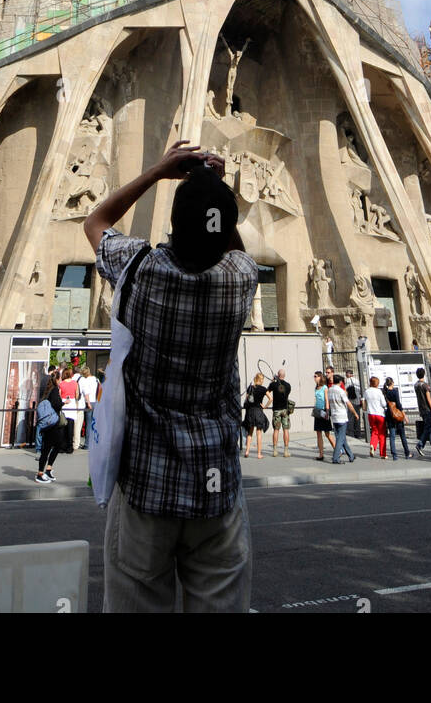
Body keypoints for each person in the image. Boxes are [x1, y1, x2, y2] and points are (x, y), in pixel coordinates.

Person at [84, 141, 258, 614]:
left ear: (173, 227)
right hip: (216, 487)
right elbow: (232, 247)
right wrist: (217, 190)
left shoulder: (139, 269)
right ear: (226, 236)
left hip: (146, 487)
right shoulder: (241, 279)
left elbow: (95, 223)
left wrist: (158, 173)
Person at [36, 370, 64, 482]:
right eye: (60, 379)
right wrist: (63, 402)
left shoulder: (46, 390)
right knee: (50, 448)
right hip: (53, 423)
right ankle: (41, 473)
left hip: (46, 423)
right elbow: (57, 405)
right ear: (57, 380)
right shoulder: (55, 390)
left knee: (53, 446)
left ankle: (47, 470)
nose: (61, 380)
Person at [328, 373, 359, 464]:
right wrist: (355, 413)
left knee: (342, 437)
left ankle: (351, 455)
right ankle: (335, 458)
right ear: (340, 382)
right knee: (340, 438)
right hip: (341, 416)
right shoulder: (341, 391)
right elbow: (348, 403)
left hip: (334, 416)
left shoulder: (330, 390)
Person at [383, 377, 411, 460]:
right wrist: (404, 415)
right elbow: (398, 404)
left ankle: (394, 455)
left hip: (389, 414)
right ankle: (407, 453)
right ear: (392, 383)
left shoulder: (385, 392)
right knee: (402, 435)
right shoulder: (395, 392)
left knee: (392, 435)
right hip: (397, 414)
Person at [413, 367, 431, 456]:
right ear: (424, 374)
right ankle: (420, 444)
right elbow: (428, 398)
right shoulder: (425, 385)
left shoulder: (416, 385)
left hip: (421, 408)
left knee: (429, 429)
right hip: (427, 409)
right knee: (428, 428)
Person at [242, 373, 269, 459]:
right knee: (259, 433)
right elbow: (271, 398)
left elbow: (247, 399)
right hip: (258, 411)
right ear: (261, 380)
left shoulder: (250, 388)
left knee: (250, 433)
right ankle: (259, 454)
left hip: (250, 412)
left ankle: (247, 451)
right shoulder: (263, 389)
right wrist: (265, 406)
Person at [267, 369, 292, 457]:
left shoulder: (274, 384)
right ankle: (286, 451)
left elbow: (268, 391)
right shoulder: (288, 385)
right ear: (284, 375)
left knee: (276, 430)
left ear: (278, 375)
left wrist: (272, 381)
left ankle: (275, 450)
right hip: (285, 410)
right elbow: (287, 394)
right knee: (286, 430)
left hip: (276, 410)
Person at [363, 376, 388, 458]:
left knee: (374, 431)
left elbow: (363, 402)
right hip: (380, 414)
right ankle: (383, 454)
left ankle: (373, 445)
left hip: (371, 414)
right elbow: (384, 404)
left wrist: (365, 410)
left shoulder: (366, 391)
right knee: (382, 434)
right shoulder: (379, 391)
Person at [312, 372, 335, 459]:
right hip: (317, 411)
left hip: (324, 410)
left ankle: (337, 450)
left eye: (315, 376)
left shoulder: (325, 387)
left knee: (327, 433)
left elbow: (326, 399)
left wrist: (327, 411)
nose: (314, 378)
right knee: (318, 433)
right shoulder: (316, 388)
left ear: (320, 377)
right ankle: (321, 454)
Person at [58, 365, 80, 453]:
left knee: (63, 425)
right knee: (71, 426)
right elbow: (77, 394)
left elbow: (59, 394)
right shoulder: (75, 383)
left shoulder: (61, 383)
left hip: (64, 403)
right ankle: (69, 446)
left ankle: (62, 446)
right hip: (72, 404)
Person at [78, 364, 98, 448]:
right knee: (95, 423)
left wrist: (88, 402)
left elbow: (86, 393)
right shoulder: (96, 379)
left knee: (88, 423)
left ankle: (87, 444)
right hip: (96, 402)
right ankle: (95, 442)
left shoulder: (85, 380)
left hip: (88, 403)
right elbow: (100, 390)